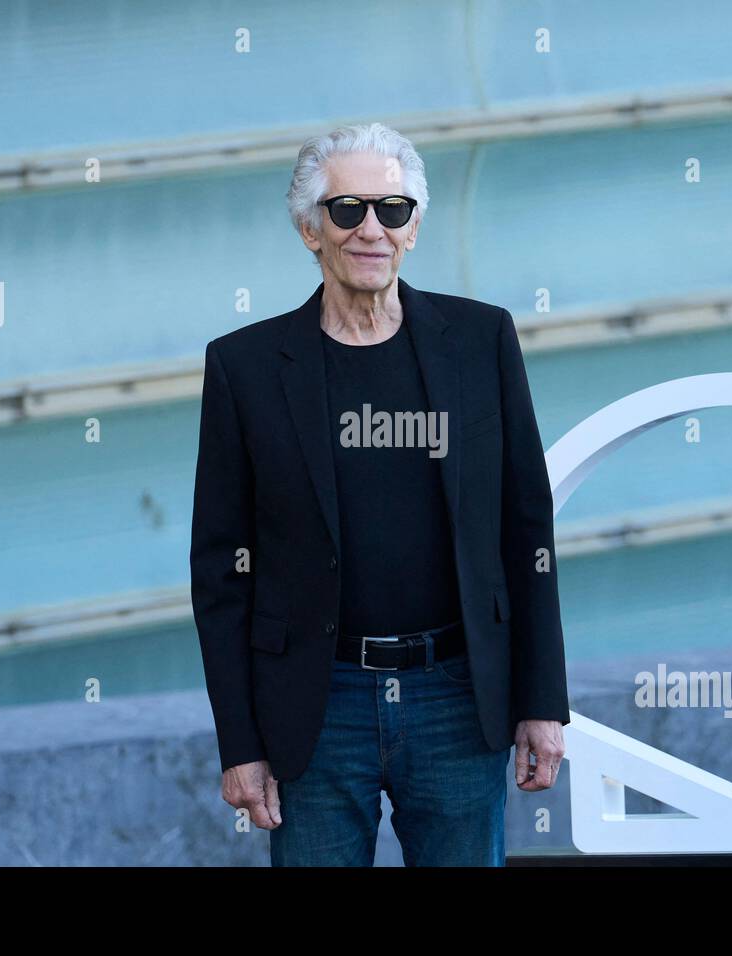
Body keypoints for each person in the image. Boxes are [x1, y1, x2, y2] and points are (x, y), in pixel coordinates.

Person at [190, 122, 569, 866]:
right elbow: (220, 574)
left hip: (458, 700)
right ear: (310, 229)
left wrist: (541, 701)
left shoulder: (481, 340)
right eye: (348, 210)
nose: (372, 228)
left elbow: (528, 528)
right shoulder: (245, 368)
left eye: (392, 210)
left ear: (415, 227)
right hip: (315, 710)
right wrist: (240, 743)